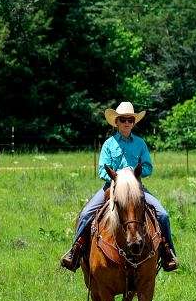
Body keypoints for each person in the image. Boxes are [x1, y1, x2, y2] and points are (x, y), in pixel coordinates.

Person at [60, 102, 178, 272]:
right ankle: (75, 251)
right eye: (123, 119)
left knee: (163, 214)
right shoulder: (108, 144)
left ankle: (168, 253)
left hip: (136, 189)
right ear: (116, 122)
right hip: (112, 188)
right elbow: (102, 170)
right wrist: (119, 175)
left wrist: (133, 173)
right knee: (86, 214)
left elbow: (148, 167)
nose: (127, 123)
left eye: (130, 120)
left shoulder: (140, 143)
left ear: (133, 122)